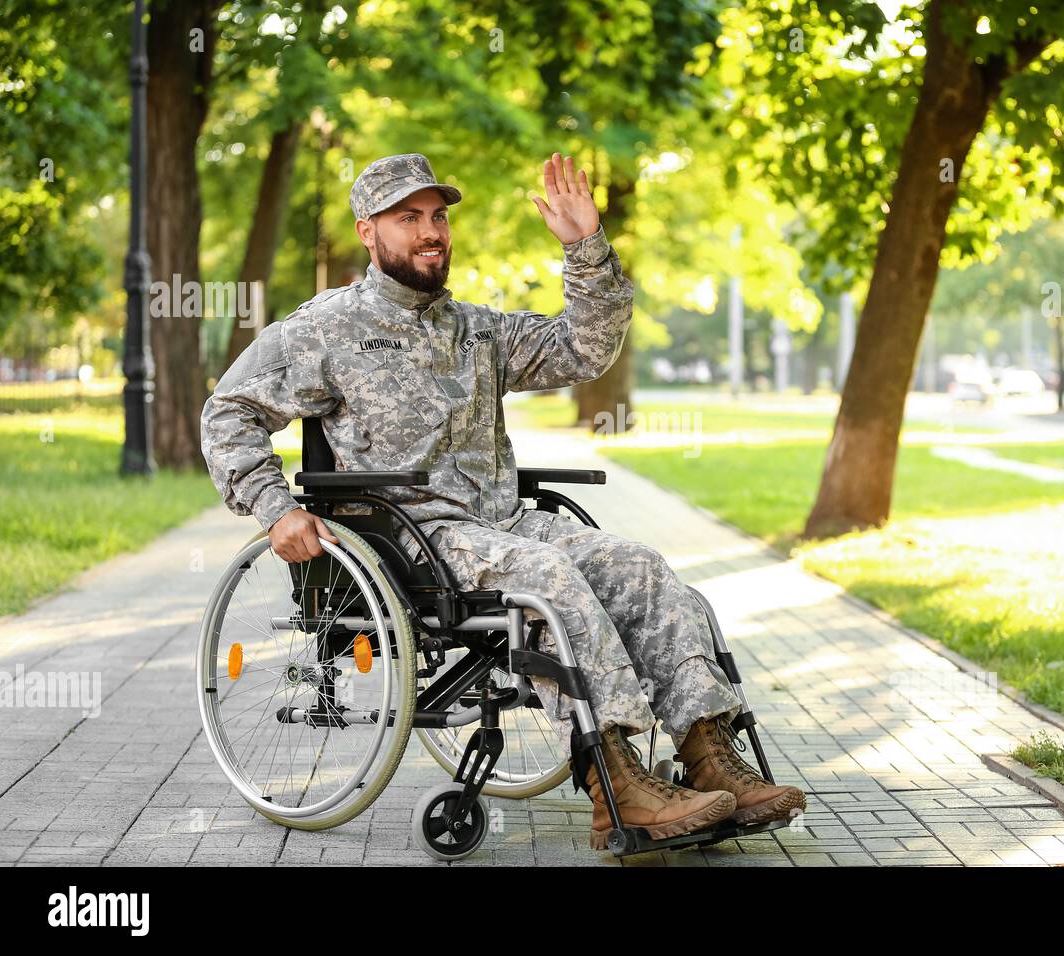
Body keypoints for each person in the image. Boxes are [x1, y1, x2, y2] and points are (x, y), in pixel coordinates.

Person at [200, 152, 805, 850]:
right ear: (368, 232)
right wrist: (275, 507)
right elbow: (228, 412)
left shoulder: (478, 330)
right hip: (414, 538)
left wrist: (585, 247)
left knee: (637, 563)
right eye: (408, 218)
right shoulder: (322, 330)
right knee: (548, 578)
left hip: (503, 524)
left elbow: (585, 349)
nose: (431, 232)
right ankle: (618, 784)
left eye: (437, 217)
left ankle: (708, 757)